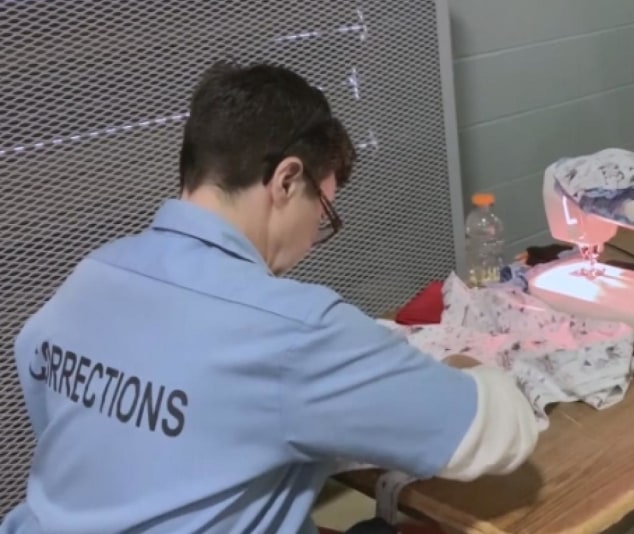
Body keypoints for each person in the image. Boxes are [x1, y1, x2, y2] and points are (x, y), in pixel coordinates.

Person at [2, 62, 539, 533]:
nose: (313, 238)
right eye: (324, 214)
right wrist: (468, 365)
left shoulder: (87, 279)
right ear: (286, 181)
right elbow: (501, 434)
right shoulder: (291, 332)